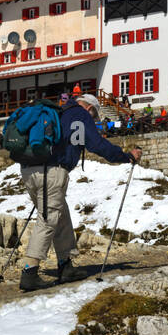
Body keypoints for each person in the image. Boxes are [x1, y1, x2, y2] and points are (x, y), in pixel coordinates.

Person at [19, 95, 141, 291]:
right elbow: (97, 145)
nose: (92, 119)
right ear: (90, 108)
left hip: (28, 170)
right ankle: (29, 271)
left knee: (60, 215)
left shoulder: (57, 112)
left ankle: (65, 265)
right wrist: (126, 157)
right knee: (49, 218)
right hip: (52, 170)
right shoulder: (79, 115)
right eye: (93, 115)